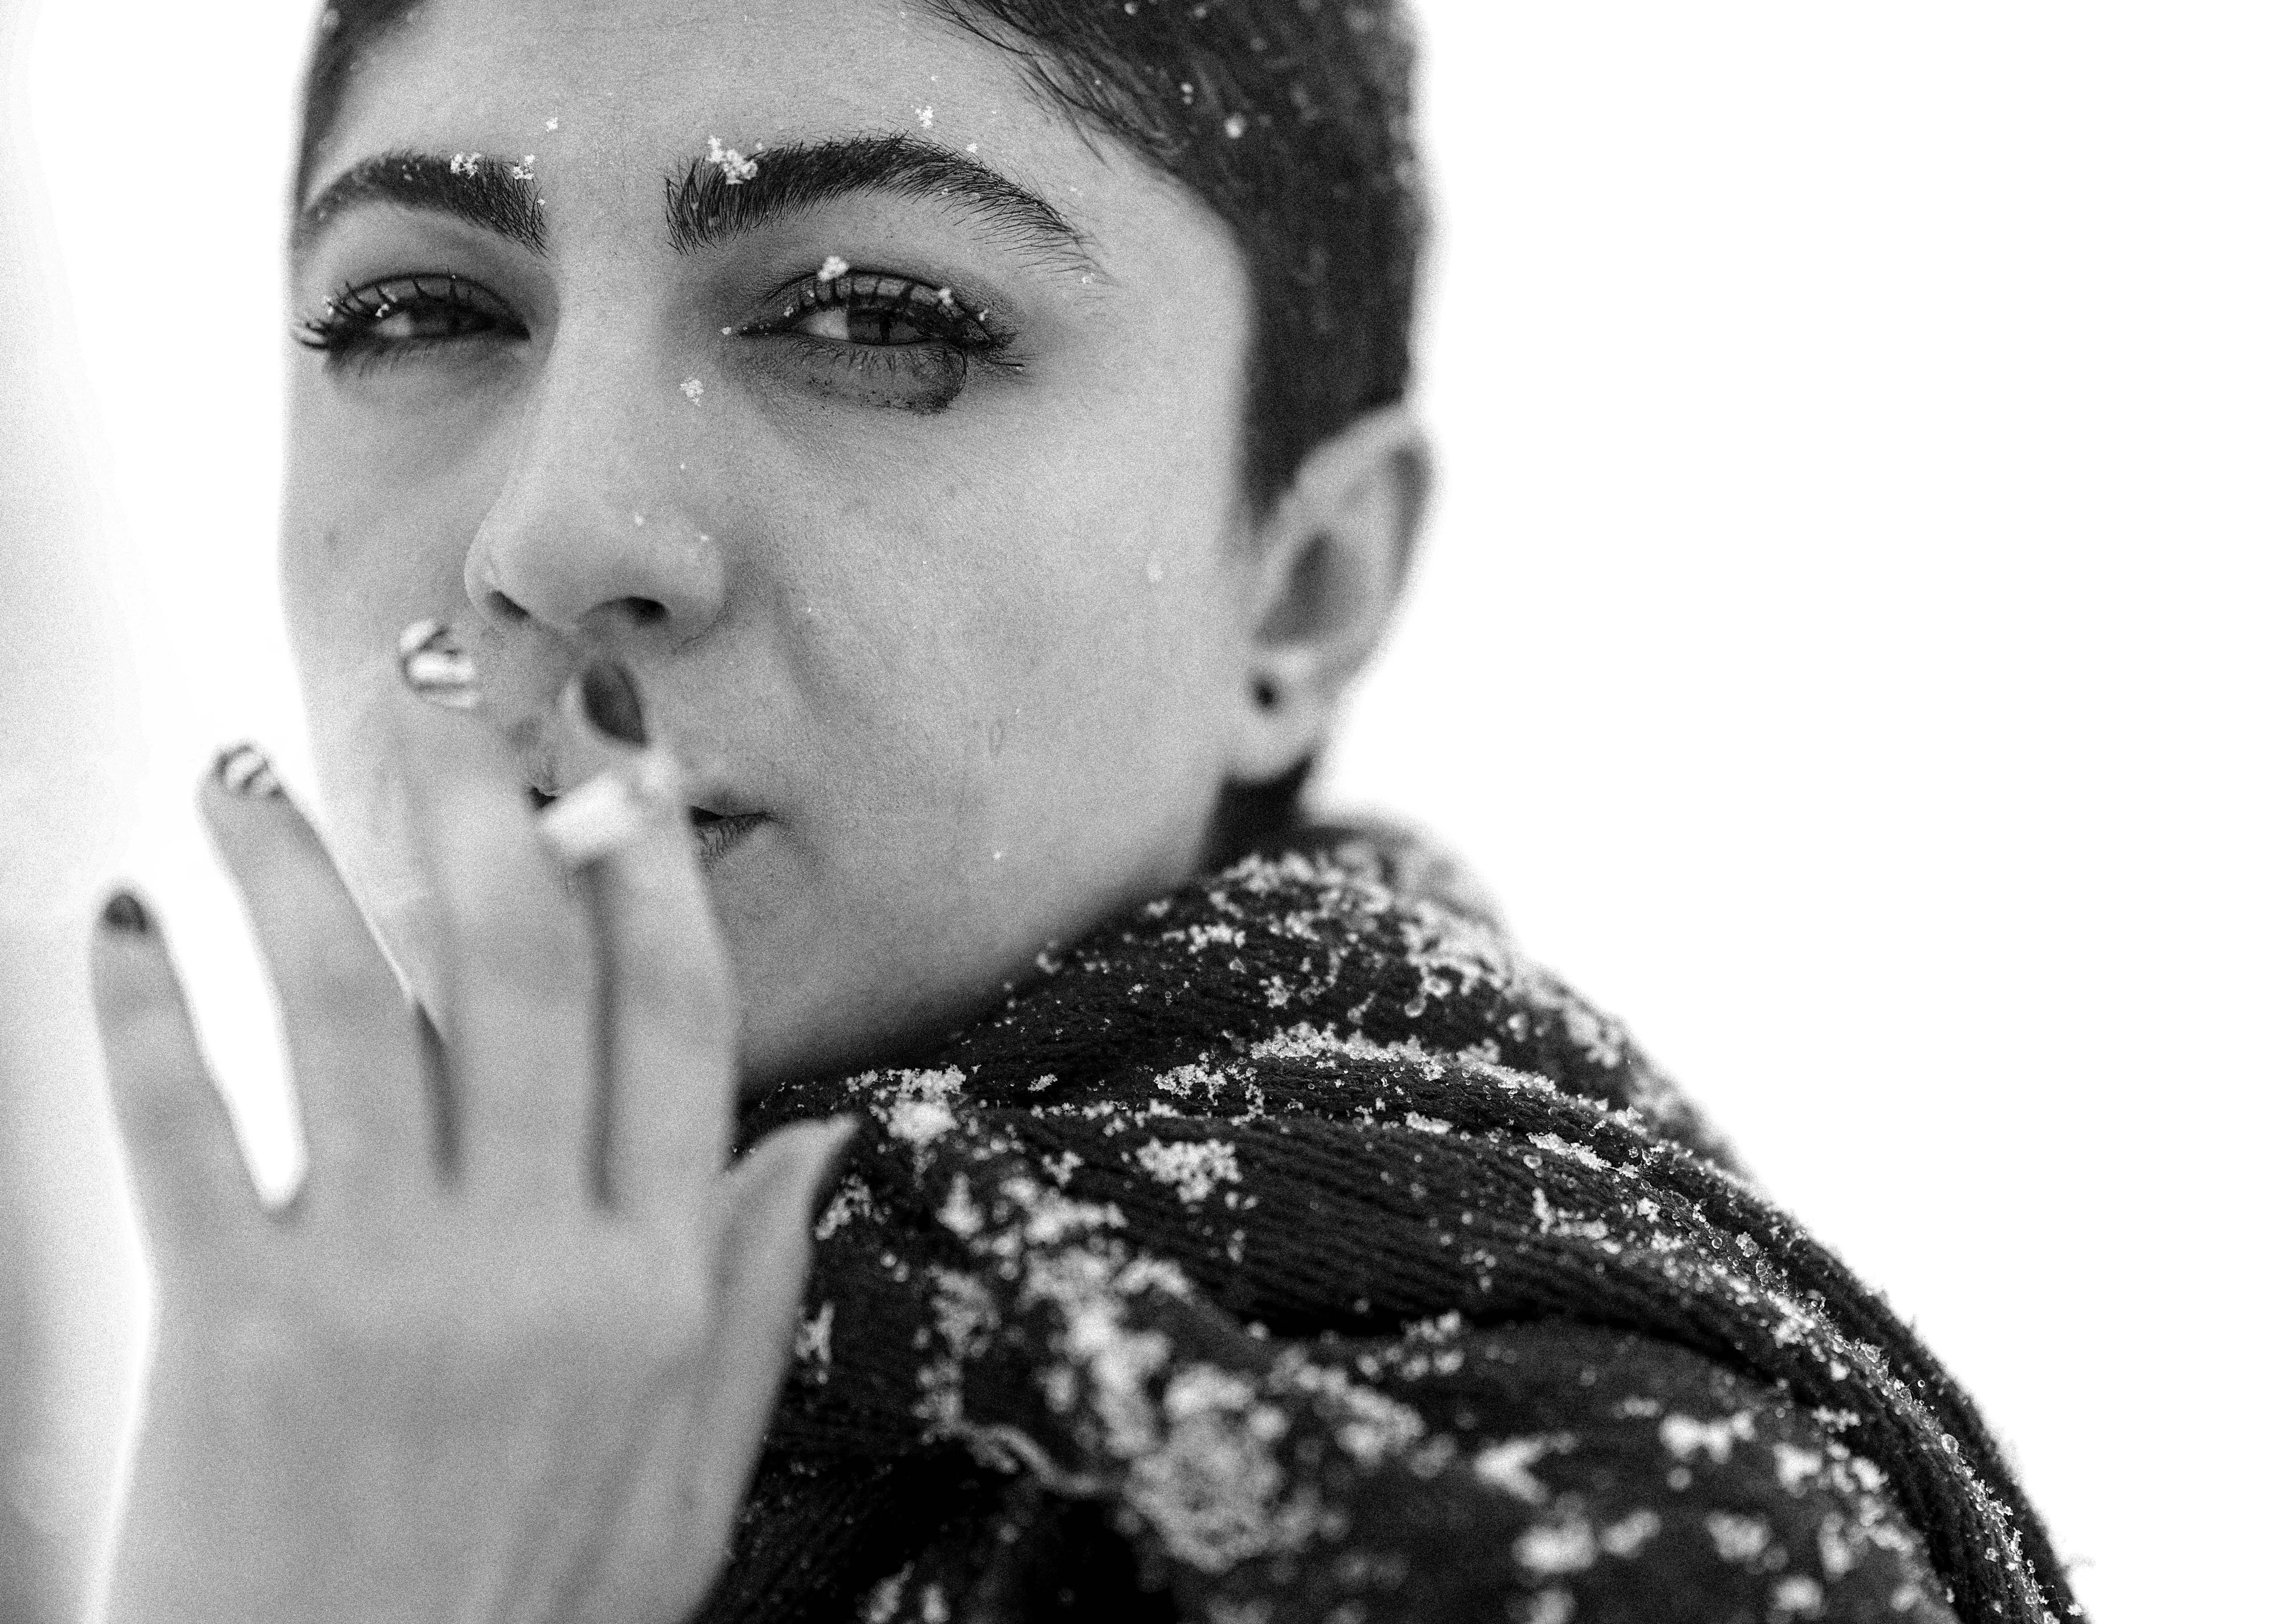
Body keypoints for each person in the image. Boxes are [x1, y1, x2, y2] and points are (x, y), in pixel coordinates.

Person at [85, 1, 2078, 1620]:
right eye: (420, 315)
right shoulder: (352, 1407)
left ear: (1300, 584)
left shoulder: (1567, 1530)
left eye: (876, 319)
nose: (558, 531)